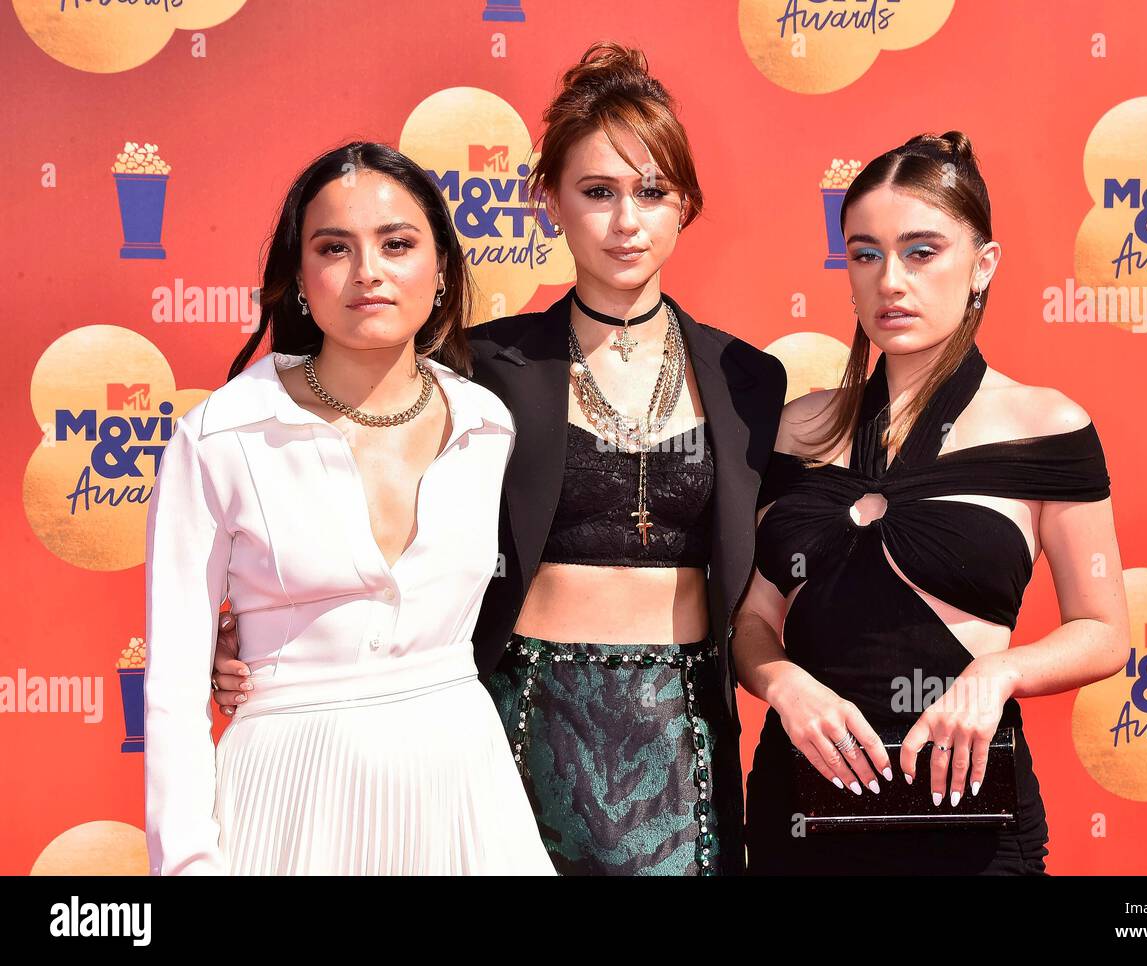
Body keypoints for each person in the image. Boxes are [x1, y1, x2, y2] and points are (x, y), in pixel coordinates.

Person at [214, 42, 786, 876]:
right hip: (519, 718)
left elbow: (800, 557)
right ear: (548, 199)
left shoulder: (750, 381)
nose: (626, 222)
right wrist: (258, 638)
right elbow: (356, 500)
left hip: (686, 731)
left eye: (652, 192)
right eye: (597, 192)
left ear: (686, 204)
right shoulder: (479, 373)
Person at [144, 141, 554, 875]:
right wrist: (185, 863)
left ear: (441, 270)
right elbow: (172, 687)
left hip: (460, 793)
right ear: (300, 279)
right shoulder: (221, 437)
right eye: (335, 247)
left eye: (397, 243)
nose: (368, 271)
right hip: (287, 799)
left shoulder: (489, 425)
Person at [736, 131, 1130, 874]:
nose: (891, 280)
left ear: (983, 266)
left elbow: (1105, 631)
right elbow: (755, 619)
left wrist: (997, 674)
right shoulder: (796, 428)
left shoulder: (1047, 427)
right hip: (801, 813)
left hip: (970, 818)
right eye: (865, 253)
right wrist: (783, 682)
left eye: (922, 252)